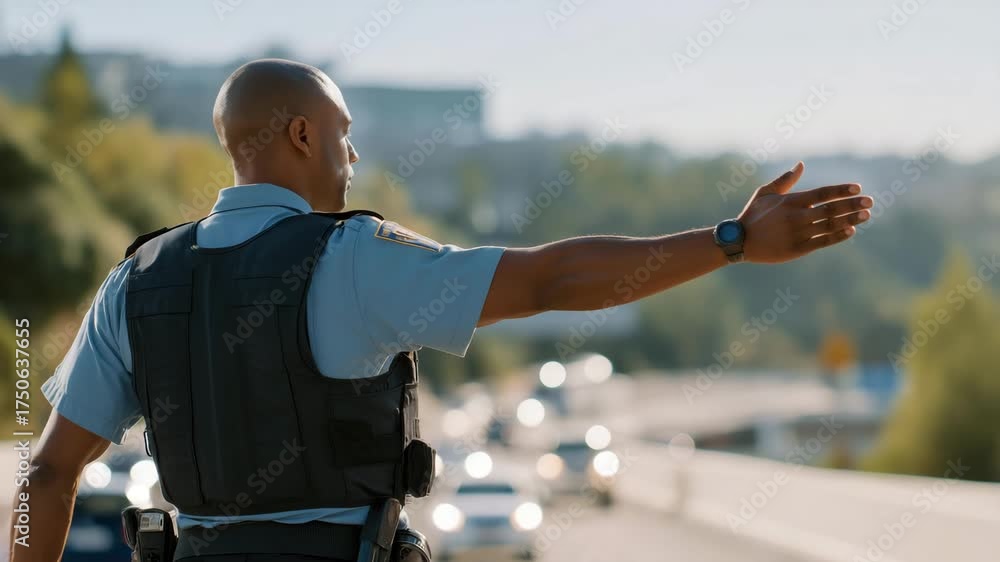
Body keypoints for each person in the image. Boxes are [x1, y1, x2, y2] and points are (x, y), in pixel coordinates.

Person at [10, 58, 873, 562]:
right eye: (344, 133)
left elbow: (43, 479)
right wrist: (729, 239)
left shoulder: (137, 281)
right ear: (302, 137)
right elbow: (552, 280)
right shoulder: (350, 259)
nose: (352, 156)